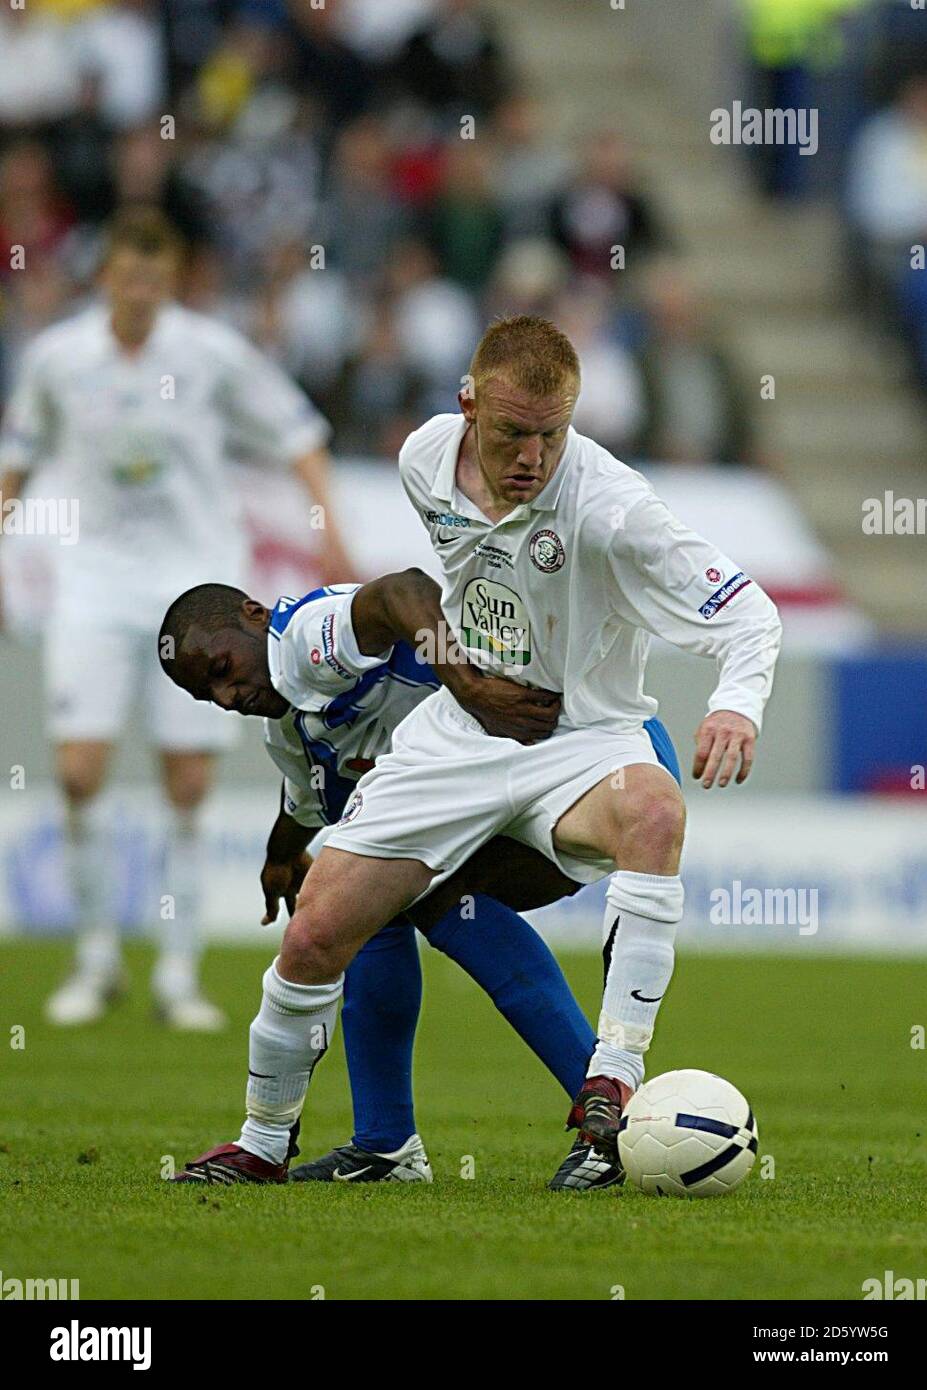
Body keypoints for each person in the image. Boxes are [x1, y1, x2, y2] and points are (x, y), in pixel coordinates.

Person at [166, 314, 782, 1193]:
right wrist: (470, 688)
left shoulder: (613, 511)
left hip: (580, 736)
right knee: (315, 933)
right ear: (468, 407)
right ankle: (264, 1143)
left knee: (654, 811)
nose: (531, 455)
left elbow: (749, 612)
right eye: (511, 433)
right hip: (455, 743)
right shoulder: (426, 457)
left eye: (551, 433)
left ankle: (612, 1081)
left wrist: (735, 707)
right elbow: (425, 589)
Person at [157, 569, 681, 1184]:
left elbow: (403, 591)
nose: (225, 697)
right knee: (379, 905)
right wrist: (280, 857)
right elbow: (304, 805)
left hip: (590, 759)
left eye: (220, 669)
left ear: (253, 616)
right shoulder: (292, 731)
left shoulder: (301, 635)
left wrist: (472, 689)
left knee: (430, 896)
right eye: (205, 696)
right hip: (512, 795)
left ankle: (605, 1126)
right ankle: (386, 1146)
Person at [0, 206, 356, 1031]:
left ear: (171, 281)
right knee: (81, 772)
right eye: (128, 276)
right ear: (106, 277)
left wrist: (329, 530)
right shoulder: (58, 358)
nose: (140, 292)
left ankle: (179, 972)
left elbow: (300, 432)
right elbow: (16, 457)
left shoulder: (210, 354)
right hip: (90, 584)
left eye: (155, 280)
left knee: (187, 784)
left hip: (196, 593)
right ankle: (95, 959)